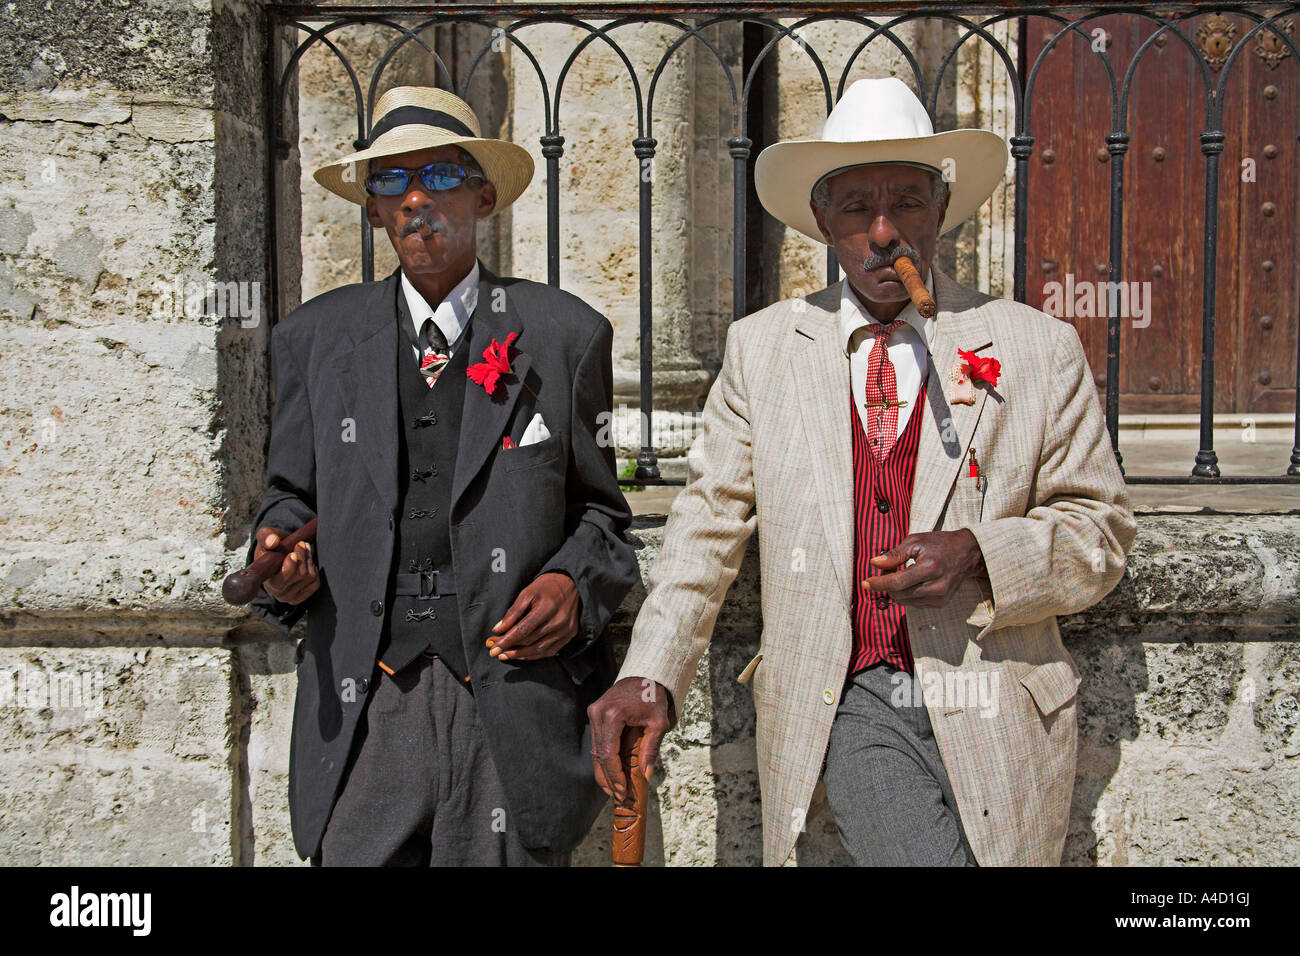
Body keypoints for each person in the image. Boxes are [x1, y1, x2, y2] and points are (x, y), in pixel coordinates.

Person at [588, 77, 1136, 866]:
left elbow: (1100, 533)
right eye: (856, 209)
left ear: (942, 210)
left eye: (908, 203)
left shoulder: (1036, 347)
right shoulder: (764, 348)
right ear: (822, 222)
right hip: (851, 692)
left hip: (999, 702)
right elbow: (705, 525)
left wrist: (980, 553)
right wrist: (651, 672)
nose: (885, 233)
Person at [248, 86, 639, 866]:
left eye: (439, 175)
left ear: (484, 197)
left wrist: (570, 584)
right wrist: (280, 553)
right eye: (391, 181)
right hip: (364, 706)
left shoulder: (566, 336)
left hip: (508, 703)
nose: (416, 198)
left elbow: (605, 523)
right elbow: (288, 498)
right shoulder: (312, 340)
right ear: (372, 211)